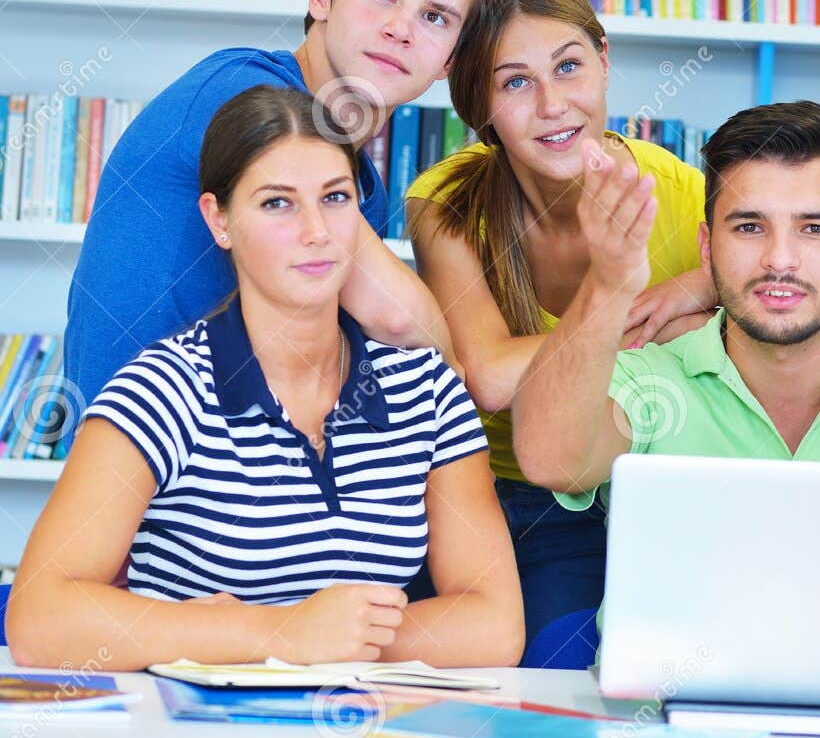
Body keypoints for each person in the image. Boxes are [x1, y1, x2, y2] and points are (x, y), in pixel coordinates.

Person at [404, 0, 820, 663]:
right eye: (515, 82)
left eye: (569, 67)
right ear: (479, 105)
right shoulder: (447, 202)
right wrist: (642, 312)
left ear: (605, 63)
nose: (553, 104)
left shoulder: (677, 195)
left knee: (572, 662)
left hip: (611, 495)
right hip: (473, 494)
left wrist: (703, 284)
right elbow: (490, 378)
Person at [7, 88, 522, 672]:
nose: (316, 231)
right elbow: (38, 619)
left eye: (335, 198)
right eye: (278, 203)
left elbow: (494, 623)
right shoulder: (161, 390)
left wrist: (334, 642)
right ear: (219, 219)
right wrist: (281, 633)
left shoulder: (427, 391)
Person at [508, 101, 820, 683]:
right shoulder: (648, 382)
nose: (779, 258)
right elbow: (550, 457)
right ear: (706, 247)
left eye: (815, 227)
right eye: (749, 226)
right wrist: (608, 283)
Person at [64, 0, 504, 413]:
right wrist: (455, 375)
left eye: (436, 18)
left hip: (244, 457)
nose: (400, 29)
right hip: (141, 462)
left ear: (450, 61)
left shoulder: (363, 191)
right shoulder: (243, 93)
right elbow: (396, 318)